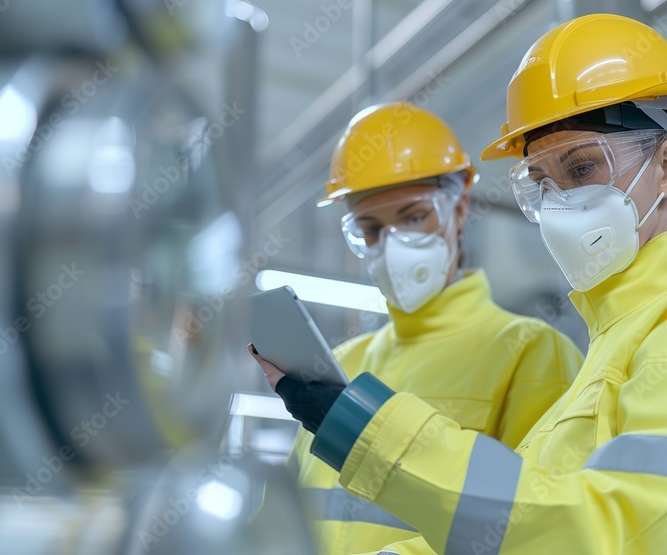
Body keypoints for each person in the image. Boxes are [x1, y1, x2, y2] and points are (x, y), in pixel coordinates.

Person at [251, 15, 667, 554]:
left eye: (581, 169)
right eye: (540, 183)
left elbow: (636, 532)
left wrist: (373, 434)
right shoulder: (606, 360)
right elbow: (525, 533)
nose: (558, 207)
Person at [249, 101, 583, 555]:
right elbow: (288, 519)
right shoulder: (341, 365)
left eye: (412, 217)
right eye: (370, 228)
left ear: (459, 209)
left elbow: (534, 529)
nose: (393, 246)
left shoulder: (532, 352)